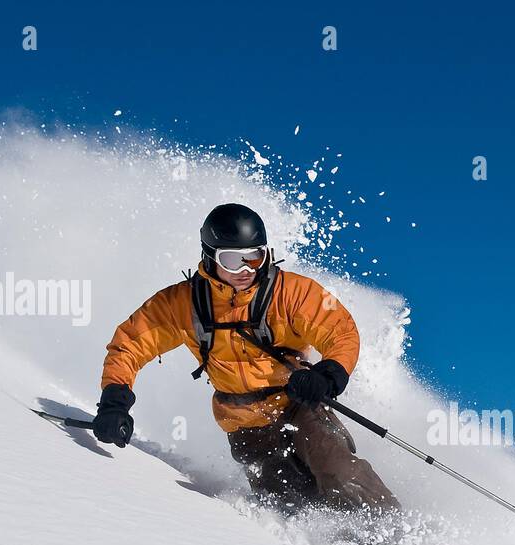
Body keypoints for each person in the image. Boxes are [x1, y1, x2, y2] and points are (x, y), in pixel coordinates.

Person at [92, 203, 400, 516]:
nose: (246, 270)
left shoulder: (290, 293)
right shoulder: (181, 304)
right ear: (209, 256)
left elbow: (341, 332)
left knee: (340, 475)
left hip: (299, 405)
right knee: (290, 508)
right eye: (232, 260)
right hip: (244, 425)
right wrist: (114, 403)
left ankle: (398, 539)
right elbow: (129, 344)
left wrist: (328, 374)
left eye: (255, 257)